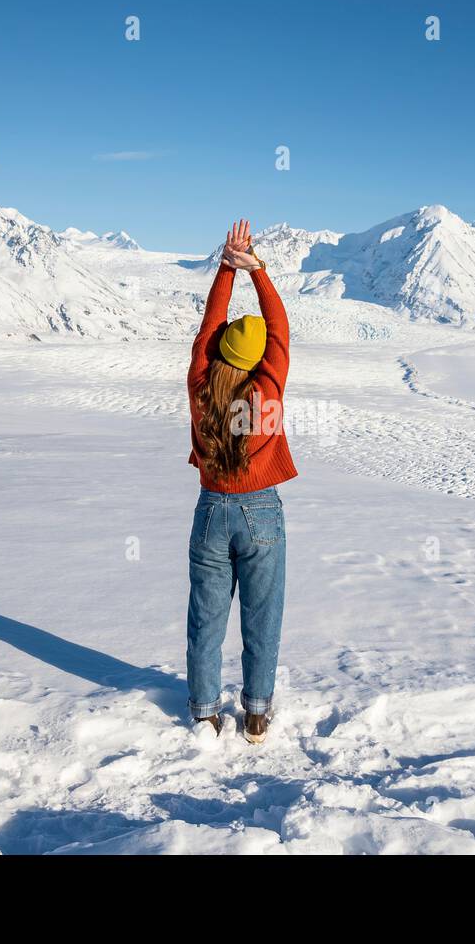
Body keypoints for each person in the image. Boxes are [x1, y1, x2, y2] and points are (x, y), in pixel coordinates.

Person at [185, 219, 297, 742]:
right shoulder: (268, 385)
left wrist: (227, 269)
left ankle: (205, 713)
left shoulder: (202, 385)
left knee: (206, 619)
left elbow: (209, 326)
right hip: (261, 513)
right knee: (262, 617)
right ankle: (255, 714)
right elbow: (280, 329)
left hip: (211, 510)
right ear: (258, 361)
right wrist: (259, 271)